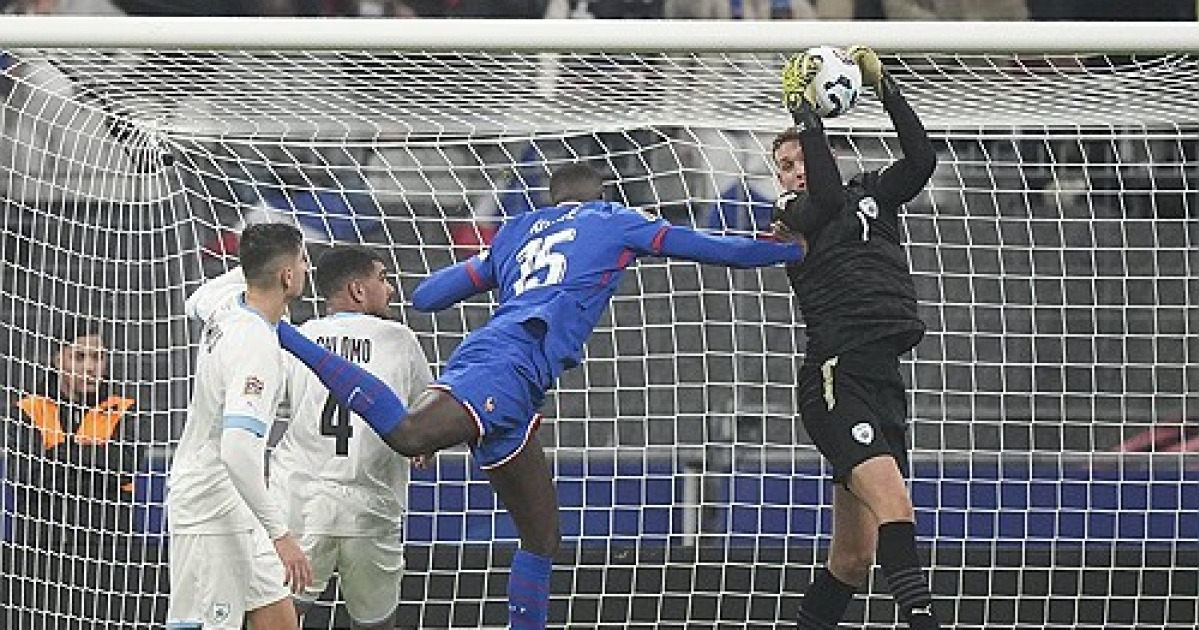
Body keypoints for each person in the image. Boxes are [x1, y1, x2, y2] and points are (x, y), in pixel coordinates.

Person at [272, 162, 805, 629]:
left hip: (514, 384)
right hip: (502, 370)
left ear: (551, 199)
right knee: (409, 433)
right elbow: (712, 249)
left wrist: (501, 268)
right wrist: (785, 249)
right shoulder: (617, 221)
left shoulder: (517, 232)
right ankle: (284, 331)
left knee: (542, 536)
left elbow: (427, 296)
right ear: (600, 197)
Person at [773, 47, 939, 628]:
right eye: (783, 165)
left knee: (852, 557)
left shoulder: (871, 193)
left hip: (883, 375)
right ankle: (921, 618)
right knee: (895, 502)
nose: (792, 172)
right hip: (835, 377)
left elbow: (920, 162)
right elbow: (820, 197)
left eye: (798, 160)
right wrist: (808, 119)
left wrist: (885, 86)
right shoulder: (794, 216)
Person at [184, 245, 433, 630]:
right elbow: (422, 418)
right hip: (373, 507)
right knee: (376, 623)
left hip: (300, 500)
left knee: (276, 615)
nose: (391, 291)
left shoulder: (299, 336)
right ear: (357, 290)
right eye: (382, 279)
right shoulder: (399, 340)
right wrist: (424, 446)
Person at [166, 222, 313, 630]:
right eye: (302, 260)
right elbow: (237, 452)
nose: (306, 268)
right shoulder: (256, 347)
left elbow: (194, 301)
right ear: (286, 276)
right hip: (211, 504)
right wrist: (281, 536)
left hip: (239, 503)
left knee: (281, 619)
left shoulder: (224, 302)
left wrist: (254, 256)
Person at [3, 319, 142, 630]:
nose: (91, 367)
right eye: (80, 357)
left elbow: (125, 464)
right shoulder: (29, 407)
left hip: (108, 552)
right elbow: (27, 473)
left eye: (98, 357)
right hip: (40, 551)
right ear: (58, 360)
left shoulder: (124, 408)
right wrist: (94, 462)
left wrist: (60, 453)